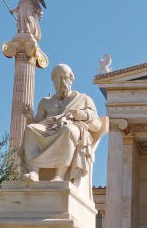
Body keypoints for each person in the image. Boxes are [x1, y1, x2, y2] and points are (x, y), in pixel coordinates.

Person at [20, 64, 105, 195]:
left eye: (64, 78)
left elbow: (98, 125)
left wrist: (84, 115)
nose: (62, 83)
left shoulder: (83, 99)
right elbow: (37, 122)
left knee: (69, 130)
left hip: (69, 128)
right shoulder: (46, 101)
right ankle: (34, 171)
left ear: (71, 78)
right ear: (53, 81)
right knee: (30, 129)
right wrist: (29, 116)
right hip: (47, 127)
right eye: (58, 80)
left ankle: (59, 175)